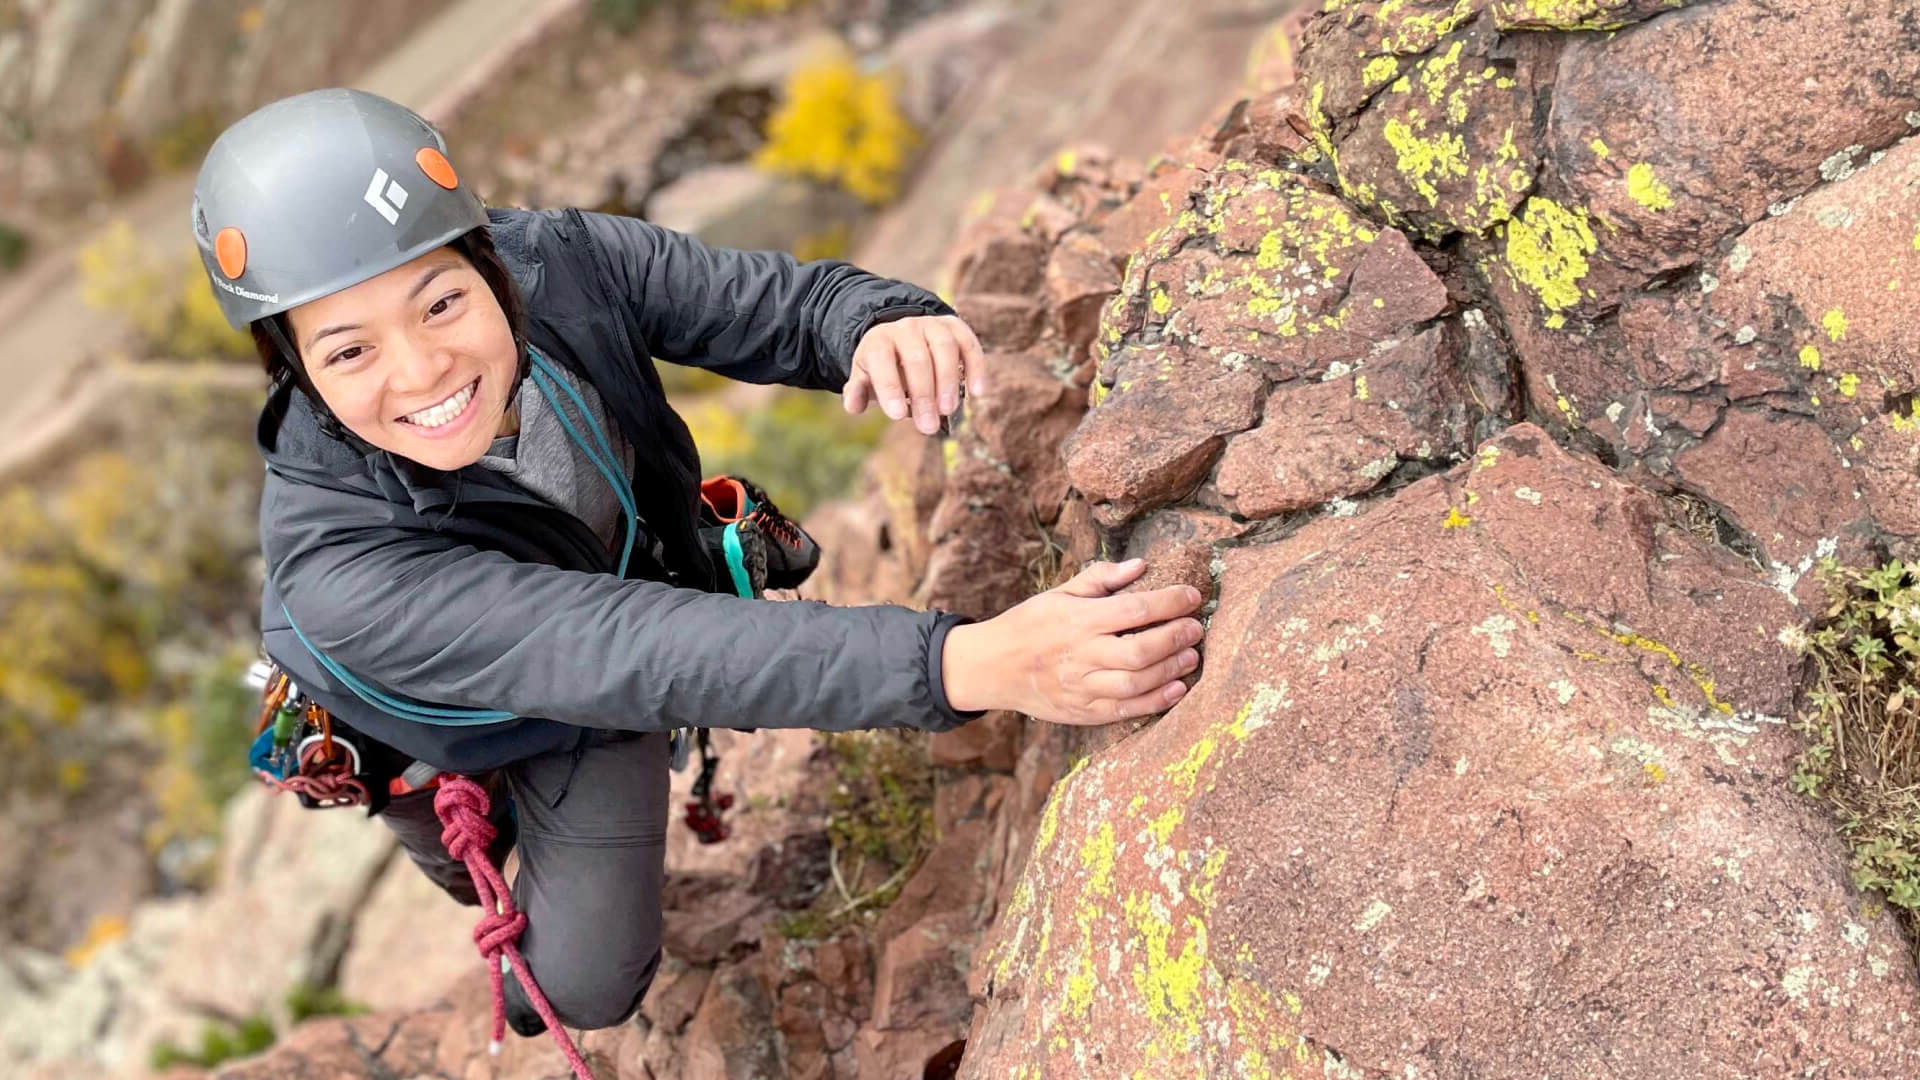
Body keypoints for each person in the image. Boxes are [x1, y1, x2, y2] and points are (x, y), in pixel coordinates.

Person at [193, 88, 1204, 1039]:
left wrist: (878, 319)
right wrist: (974, 663)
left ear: (489, 264)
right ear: (296, 371)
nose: (423, 370)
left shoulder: (563, 263)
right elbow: (633, 649)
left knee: (602, 883)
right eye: (350, 351)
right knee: (578, 985)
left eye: (440, 304)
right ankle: (475, 871)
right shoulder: (343, 566)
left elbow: (766, 303)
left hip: (608, 618)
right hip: (458, 708)